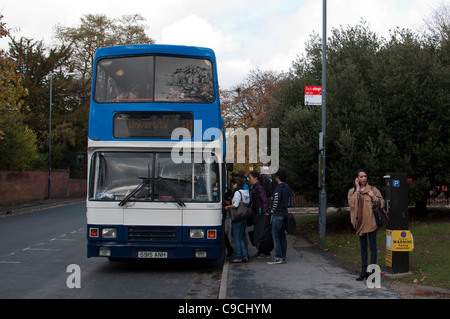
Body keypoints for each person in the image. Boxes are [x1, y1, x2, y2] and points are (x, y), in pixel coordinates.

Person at [347, 169, 385, 281]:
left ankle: (372, 273)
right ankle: (363, 271)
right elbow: (352, 204)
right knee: (363, 247)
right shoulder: (352, 191)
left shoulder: (373, 190)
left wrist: (374, 197)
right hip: (360, 223)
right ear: (357, 179)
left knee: (373, 247)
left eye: (365, 176)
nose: (363, 178)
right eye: (361, 176)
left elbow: (382, 203)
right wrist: (357, 190)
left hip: (371, 223)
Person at [268, 169, 294, 265]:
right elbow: (291, 195)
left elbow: (275, 202)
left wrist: (271, 211)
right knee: (282, 236)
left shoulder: (278, 188)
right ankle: (283, 256)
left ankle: (278, 257)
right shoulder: (287, 187)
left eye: (276, 176)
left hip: (278, 214)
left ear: (278, 177)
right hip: (284, 214)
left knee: (276, 236)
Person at [225, 177, 250, 263]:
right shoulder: (246, 192)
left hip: (237, 217)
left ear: (236, 184)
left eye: (233, 184)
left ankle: (239, 257)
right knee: (241, 237)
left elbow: (235, 205)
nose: (232, 186)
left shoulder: (237, 193)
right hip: (244, 216)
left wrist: (227, 207)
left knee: (236, 238)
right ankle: (245, 256)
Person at [248, 171, 272, 258]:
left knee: (262, 233)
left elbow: (263, 199)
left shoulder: (258, 187)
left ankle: (264, 251)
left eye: (250, 177)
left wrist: (263, 211)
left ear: (255, 178)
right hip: (259, 212)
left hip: (260, 213)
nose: (249, 179)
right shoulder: (255, 187)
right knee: (260, 232)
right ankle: (261, 250)